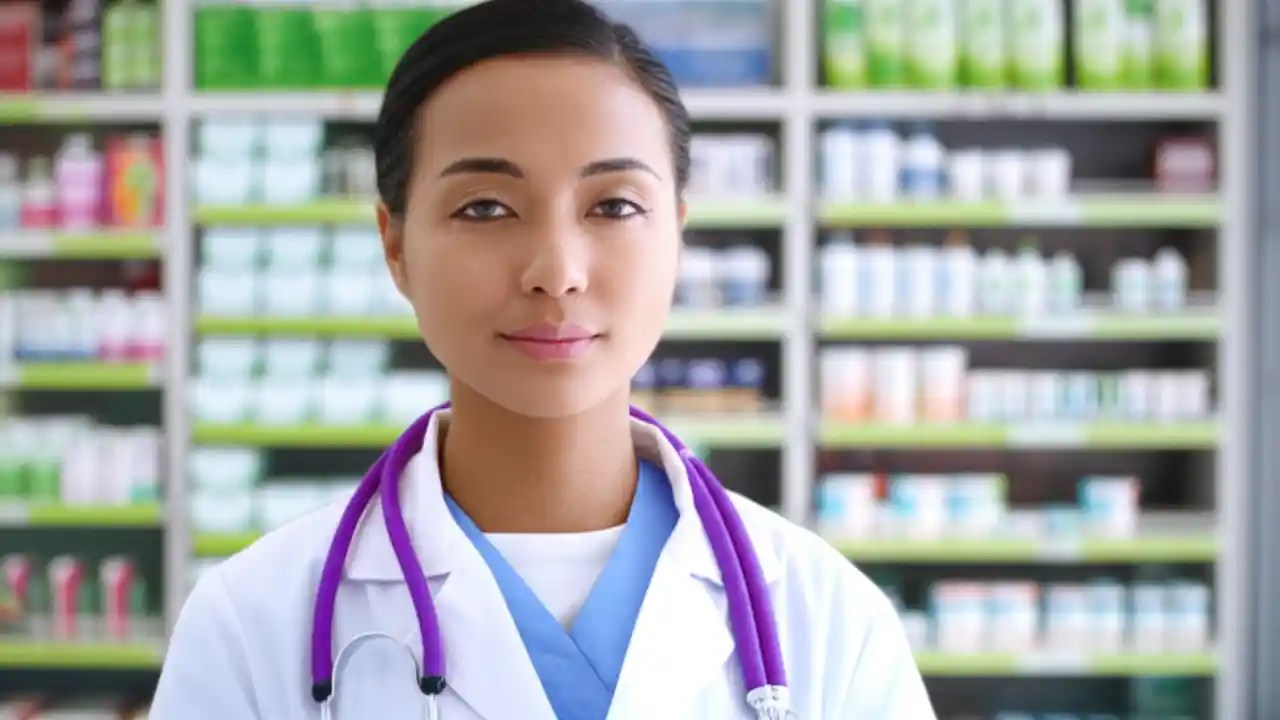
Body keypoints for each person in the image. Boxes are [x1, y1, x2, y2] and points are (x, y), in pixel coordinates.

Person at [151, 1, 936, 717]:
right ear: (394, 245)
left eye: (614, 206)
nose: (555, 269)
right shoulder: (250, 625)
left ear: (678, 233)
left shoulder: (829, 619)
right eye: (485, 207)